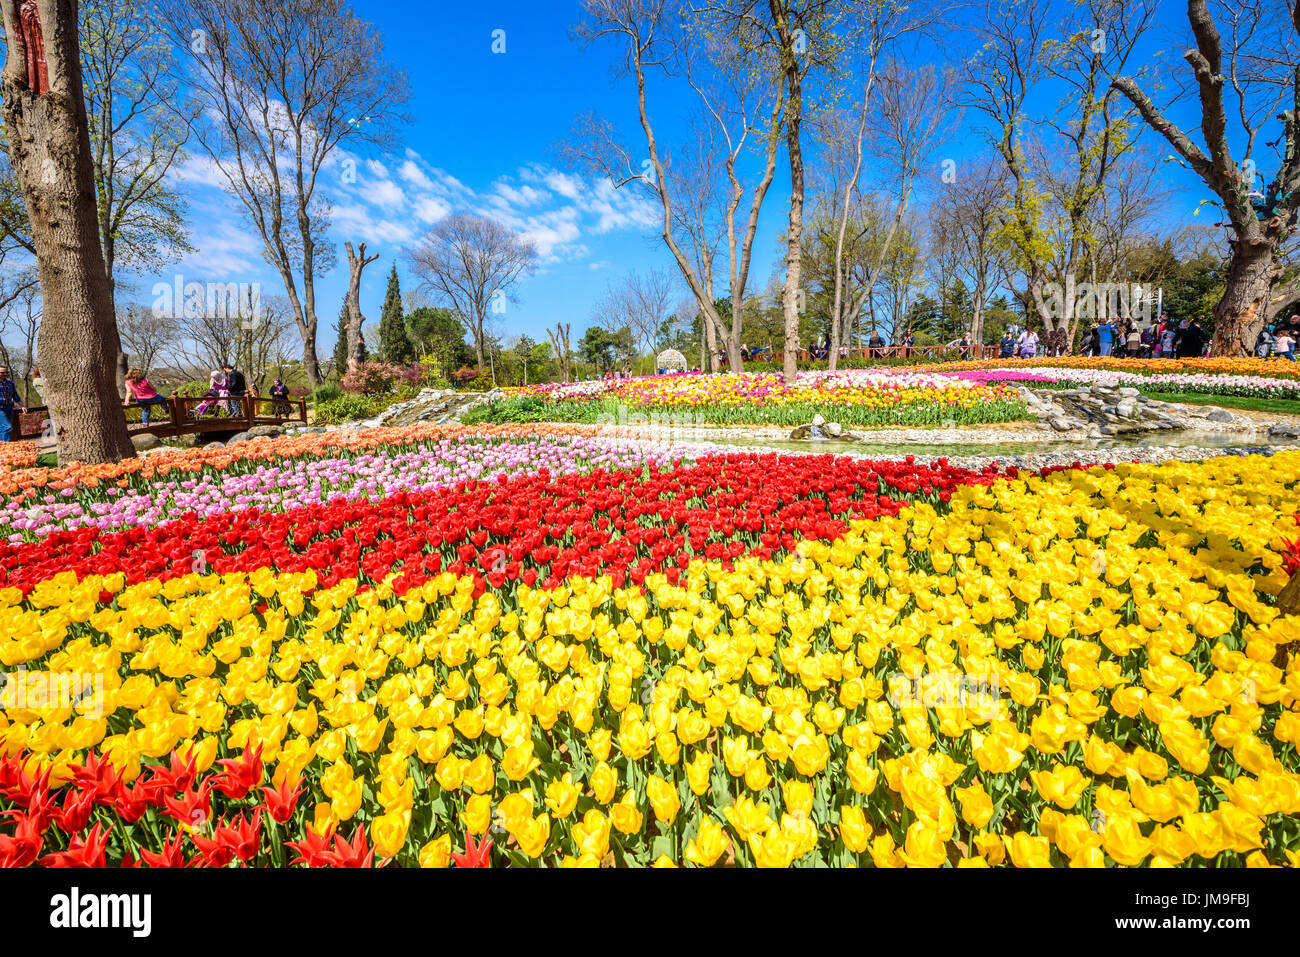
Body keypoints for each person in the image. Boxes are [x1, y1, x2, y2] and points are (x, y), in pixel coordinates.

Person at [0, 366, 26, 443]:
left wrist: (22, 406)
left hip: (9, 407)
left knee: (3, 429)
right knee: (7, 427)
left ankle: (2, 448)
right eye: (2, 372)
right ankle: (6, 447)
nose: (5, 374)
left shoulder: (10, 383)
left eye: (6, 372)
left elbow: (15, 395)